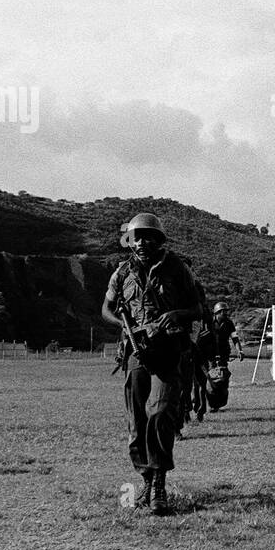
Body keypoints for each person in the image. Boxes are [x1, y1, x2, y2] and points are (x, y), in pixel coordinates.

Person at [102, 213, 203, 515]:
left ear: (159, 239)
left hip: (169, 350)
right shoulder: (121, 273)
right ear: (130, 242)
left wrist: (176, 315)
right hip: (136, 351)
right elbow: (106, 308)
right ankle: (146, 479)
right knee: (137, 422)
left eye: (149, 236)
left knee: (159, 413)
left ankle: (159, 484)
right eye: (137, 237)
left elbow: (197, 308)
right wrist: (122, 325)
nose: (143, 242)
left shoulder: (177, 269)